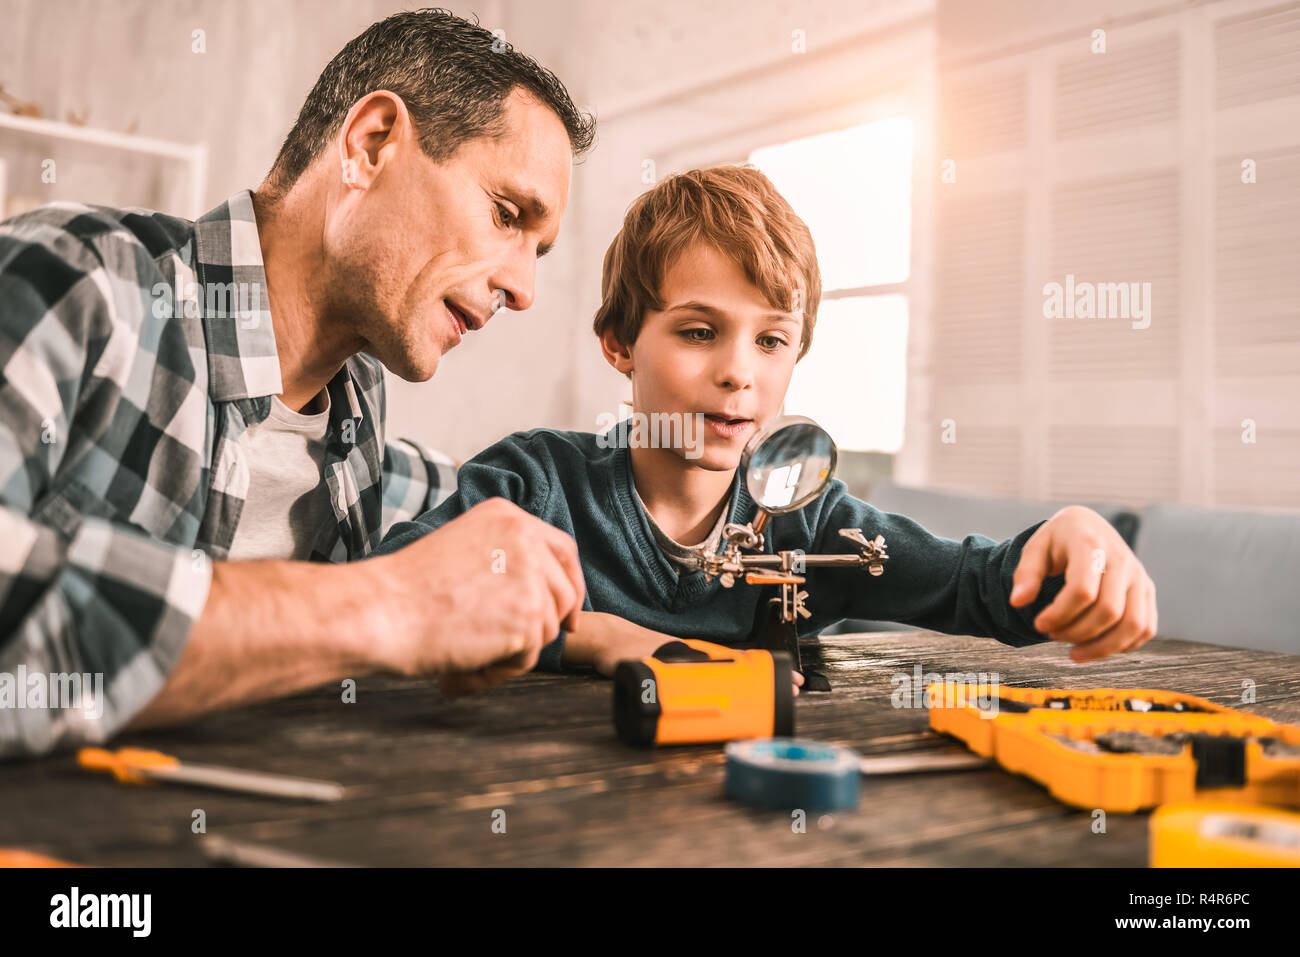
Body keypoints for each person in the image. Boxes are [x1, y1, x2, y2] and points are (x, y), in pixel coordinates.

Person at [0, 9, 593, 757]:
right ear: (371, 143)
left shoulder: (357, 409)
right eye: (508, 215)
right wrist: (393, 605)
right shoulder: (80, 282)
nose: (524, 286)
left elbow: (491, 502)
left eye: (539, 249)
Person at [377, 166, 1159, 677]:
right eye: (696, 330)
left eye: (772, 340)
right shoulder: (538, 480)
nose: (738, 371)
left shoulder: (808, 516)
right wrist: (609, 639)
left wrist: (1073, 542)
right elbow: (396, 592)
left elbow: (972, 587)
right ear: (620, 344)